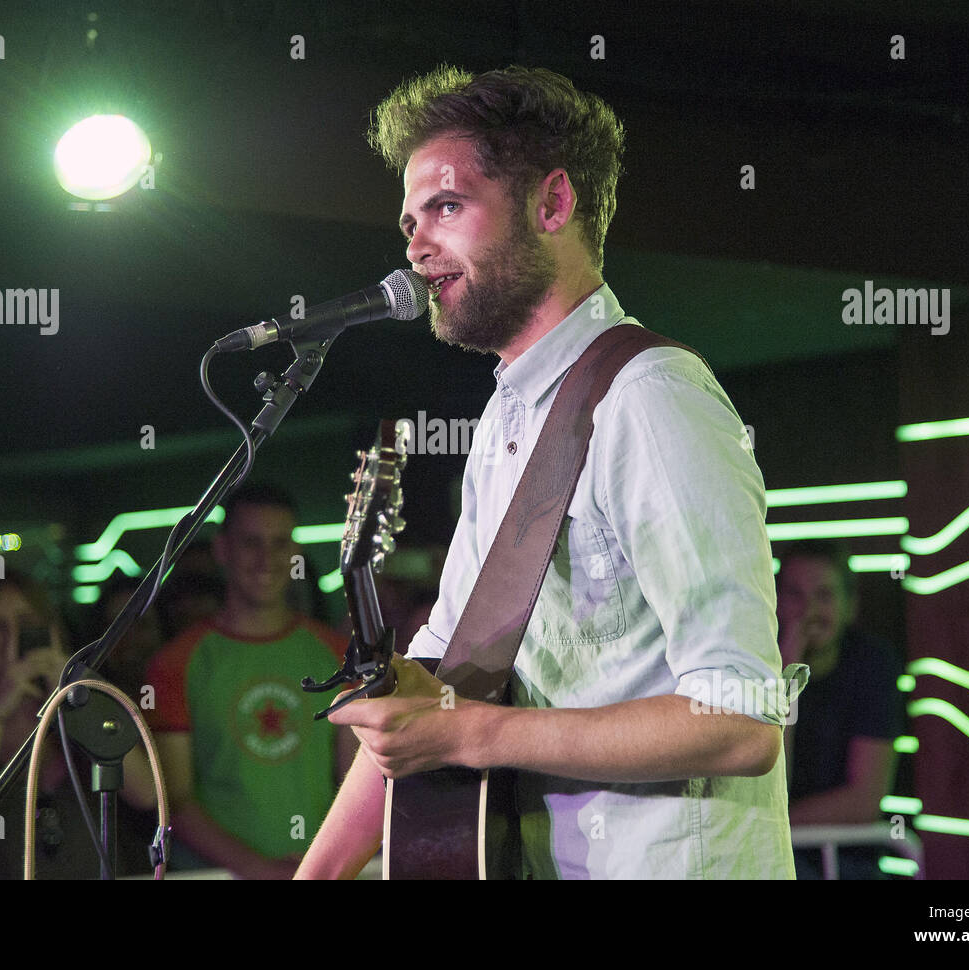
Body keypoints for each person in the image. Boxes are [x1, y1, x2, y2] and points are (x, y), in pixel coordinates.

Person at [297, 65, 797, 880]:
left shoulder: (652, 398)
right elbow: (438, 678)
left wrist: (471, 733)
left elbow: (741, 722)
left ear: (553, 204)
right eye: (410, 222)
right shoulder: (508, 417)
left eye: (447, 208)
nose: (417, 246)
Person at [145, 484, 357, 878]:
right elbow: (174, 800)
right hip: (212, 876)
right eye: (251, 543)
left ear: (295, 551)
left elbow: (354, 781)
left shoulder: (336, 653)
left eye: (279, 544)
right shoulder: (176, 662)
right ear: (222, 550)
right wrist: (262, 870)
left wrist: (327, 865)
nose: (266, 559)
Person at [0, 572, 156, 878]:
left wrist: (75, 693)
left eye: (26, 623)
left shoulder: (87, 696)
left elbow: (146, 793)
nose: (13, 637)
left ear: (50, 628)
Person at [775, 540, 904, 879]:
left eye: (824, 595)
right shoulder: (756, 666)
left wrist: (777, 823)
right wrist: (789, 676)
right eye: (795, 595)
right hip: (773, 856)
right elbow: (774, 783)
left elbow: (864, 801)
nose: (809, 610)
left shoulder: (873, 663)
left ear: (850, 606)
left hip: (848, 859)